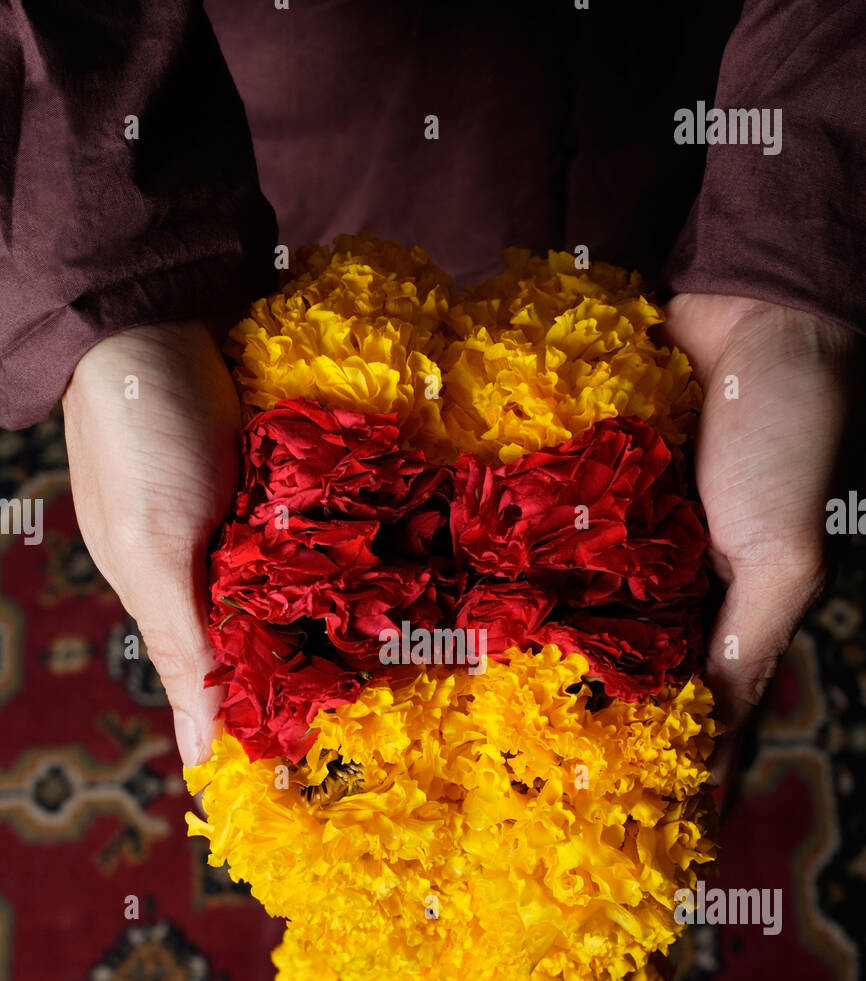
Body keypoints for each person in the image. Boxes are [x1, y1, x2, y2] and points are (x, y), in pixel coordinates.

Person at [1, 2, 862, 786]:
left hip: (695, 97)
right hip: (315, 81)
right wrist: (119, 271)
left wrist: (792, 251)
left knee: (641, 669)